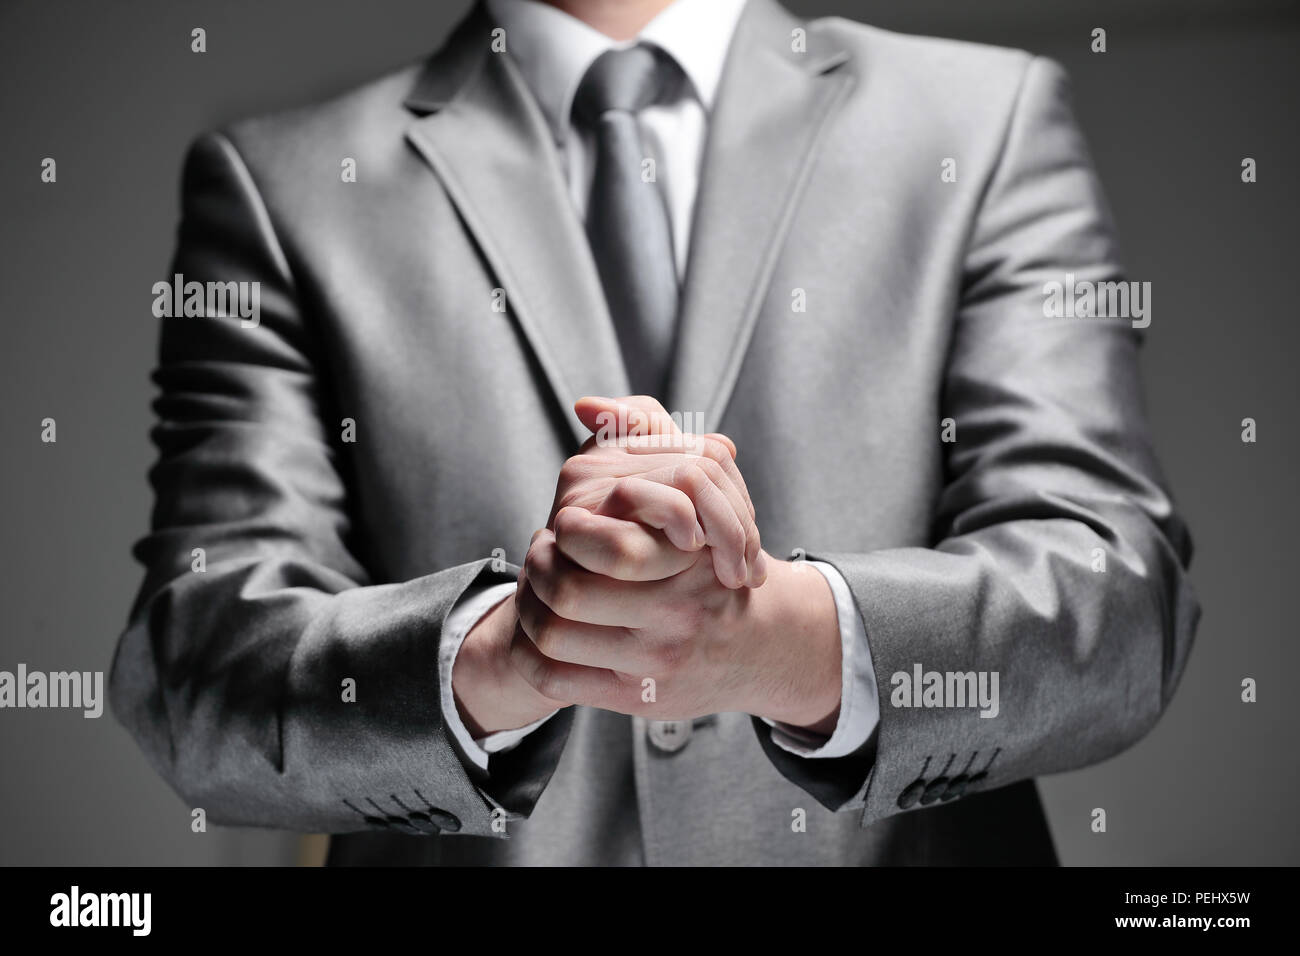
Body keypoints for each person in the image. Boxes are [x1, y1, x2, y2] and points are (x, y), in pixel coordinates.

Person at [109, 0, 1200, 865]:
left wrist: (778, 638)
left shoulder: (983, 118)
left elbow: (1114, 600)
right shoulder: (277, 185)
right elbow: (196, 658)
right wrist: (501, 652)